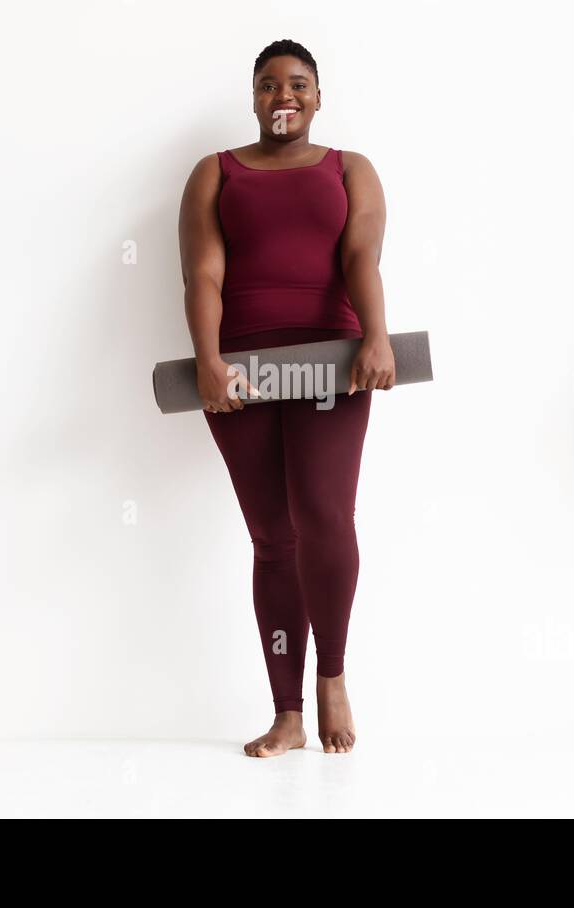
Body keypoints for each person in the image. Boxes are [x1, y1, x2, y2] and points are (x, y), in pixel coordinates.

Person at [177, 39, 395, 756]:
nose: (284, 96)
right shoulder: (214, 174)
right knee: (273, 539)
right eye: (269, 85)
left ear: (319, 97)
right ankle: (287, 713)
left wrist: (377, 337)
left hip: (331, 367)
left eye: (298, 84)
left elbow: (361, 255)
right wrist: (208, 361)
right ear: (254, 98)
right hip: (240, 373)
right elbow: (204, 274)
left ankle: (332, 676)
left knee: (326, 519)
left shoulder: (350, 170)